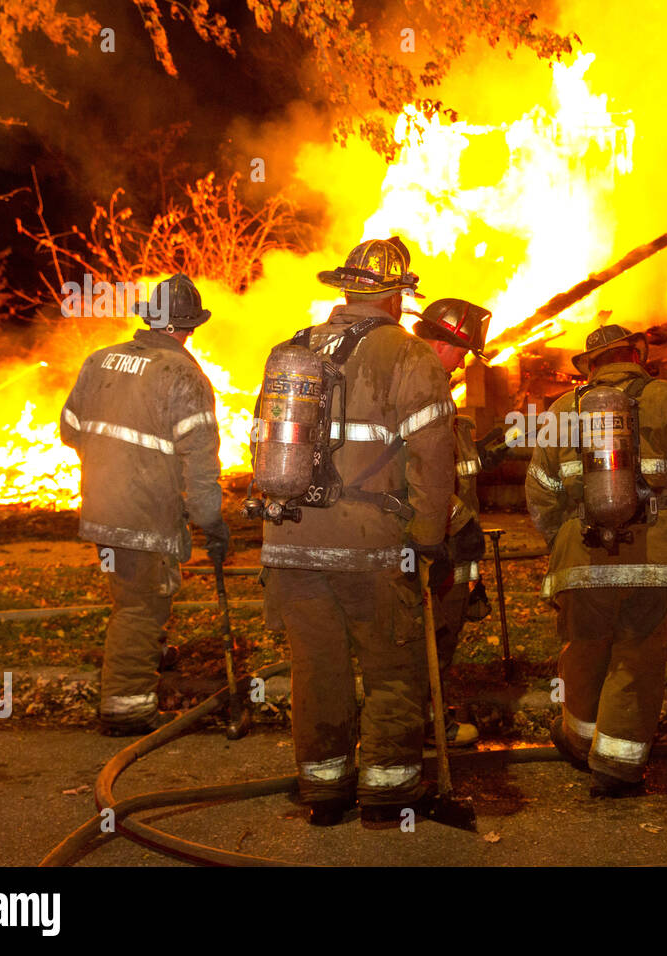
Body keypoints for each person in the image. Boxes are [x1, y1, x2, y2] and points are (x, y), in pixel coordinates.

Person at [258, 237, 456, 825]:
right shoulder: (409, 354)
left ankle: (324, 790)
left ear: (344, 289)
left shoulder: (290, 351)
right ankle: (388, 791)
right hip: (369, 545)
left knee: (317, 668)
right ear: (398, 297)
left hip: (289, 540)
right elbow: (432, 455)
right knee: (392, 665)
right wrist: (429, 535)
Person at [525, 324, 667, 796]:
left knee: (584, 647)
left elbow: (540, 489)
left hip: (582, 559)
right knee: (638, 656)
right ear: (638, 356)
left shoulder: (563, 408)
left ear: (590, 367)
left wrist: (564, 539)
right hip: (657, 560)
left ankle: (580, 741)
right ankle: (616, 767)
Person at [59, 273, 228, 736]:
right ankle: (127, 708)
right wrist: (211, 521)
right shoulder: (184, 375)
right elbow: (200, 464)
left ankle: (147, 660)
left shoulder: (100, 359)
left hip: (101, 511)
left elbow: (70, 429)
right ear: (189, 326)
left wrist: (112, 462)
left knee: (131, 596)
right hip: (145, 516)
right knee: (141, 607)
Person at [411, 297, 494, 748]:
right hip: (435, 539)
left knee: (437, 634)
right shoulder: (422, 385)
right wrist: (461, 523)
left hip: (443, 537)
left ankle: (426, 716)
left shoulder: (426, 381)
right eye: (462, 352)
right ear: (443, 343)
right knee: (431, 636)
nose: (464, 362)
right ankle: (426, 725)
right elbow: (421, 470)